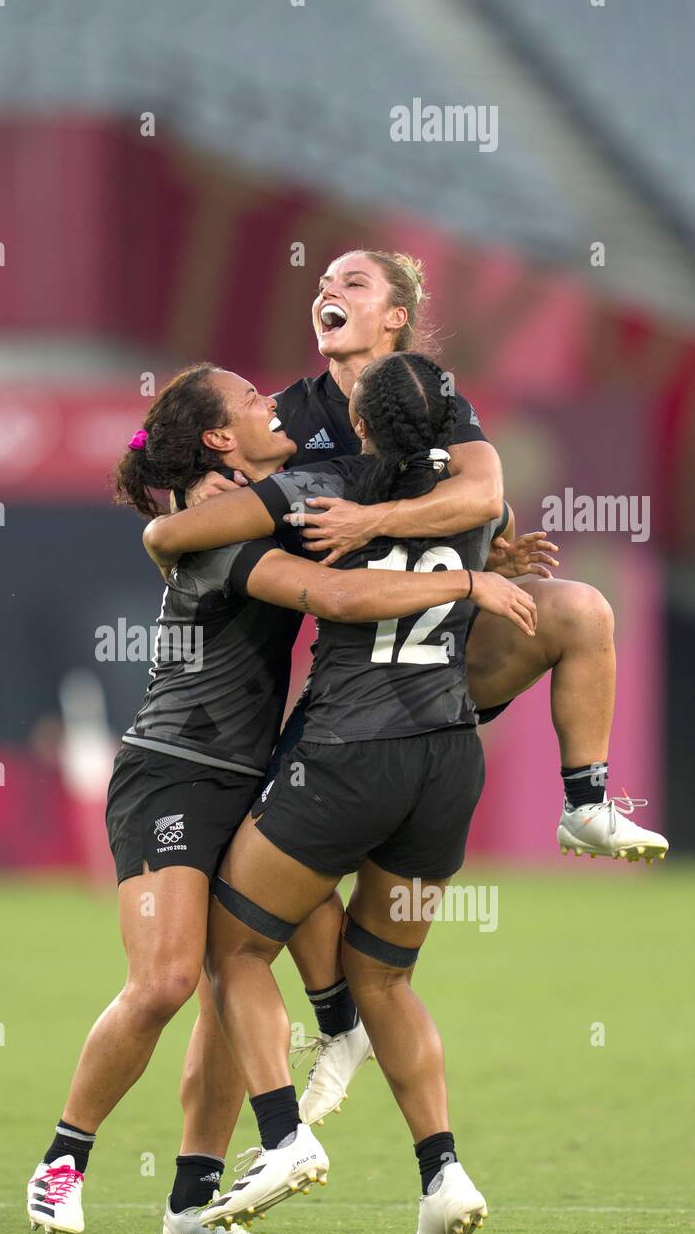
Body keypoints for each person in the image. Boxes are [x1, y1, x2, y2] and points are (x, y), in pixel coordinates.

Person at [25, 363, 533, 1234]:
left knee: (234, 977)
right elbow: (334, 593)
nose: (274, 403)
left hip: (256, 770)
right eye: (253, 400)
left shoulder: (268, 500)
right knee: (169, 980)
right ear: (221, 439)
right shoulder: (218, 535)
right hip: (175, 773)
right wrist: (465, 584)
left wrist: (469, 549)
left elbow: (382, 537)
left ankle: (192, 1201)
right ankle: (62, 1164)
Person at [180, 351, 511, 1234]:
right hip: (447, 763)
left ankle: (284, 1137)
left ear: (358, 425)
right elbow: (482, 506)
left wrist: (175, 506)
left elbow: (211, 529)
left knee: (234, 944)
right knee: (390, 979)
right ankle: (441, 1176)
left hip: (346, 754)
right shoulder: (477, 505)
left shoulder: (324, 486)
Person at [190, 248, 667, 868]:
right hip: (345, 684)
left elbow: (485, 494)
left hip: (434, 662)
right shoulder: (288, 413)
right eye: (323, 283)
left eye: (352, 283)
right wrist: (189, 487)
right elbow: (174, 450)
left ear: (395, 315)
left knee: (581, 608)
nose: (327, 292)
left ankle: (586, 804)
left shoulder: (428, 396)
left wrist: (376, 523)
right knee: (282, 898)